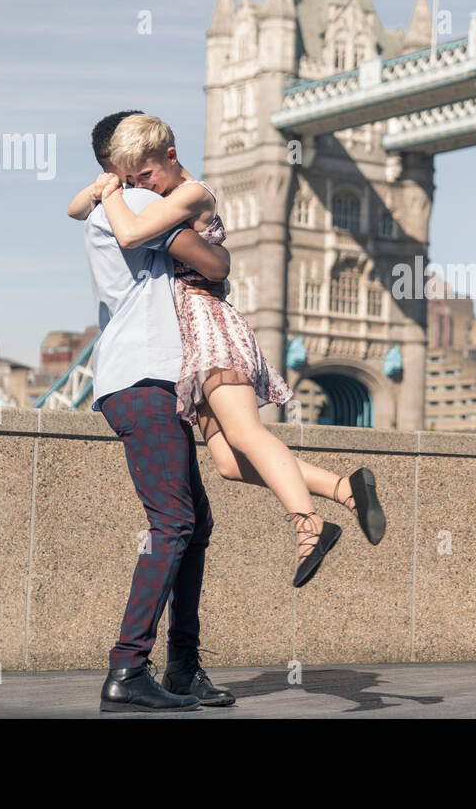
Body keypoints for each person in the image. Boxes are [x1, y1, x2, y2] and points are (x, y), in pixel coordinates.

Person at [71, 113, 385, 590]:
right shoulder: (151, 192)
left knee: (247, 433)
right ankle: (345, 489)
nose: (141, 186)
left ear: (171, 158)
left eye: (146, 176)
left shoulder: (193, 194)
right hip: (188, 342)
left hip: (210, 324)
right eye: (132, 179)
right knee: (226, 461)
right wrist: (107, 185)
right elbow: (74, 209)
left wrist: (111, 192)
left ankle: (309, 527)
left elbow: (132, 234)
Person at [77, 109, 237, 713]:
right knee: (173, 524)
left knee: (194, 524)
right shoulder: (137, 211)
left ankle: (183, 668)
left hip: (156, 378)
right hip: (141, 377)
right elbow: (217, 265)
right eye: (134, 173)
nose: (146, 182)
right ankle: (126, 669)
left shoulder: (119, 201)